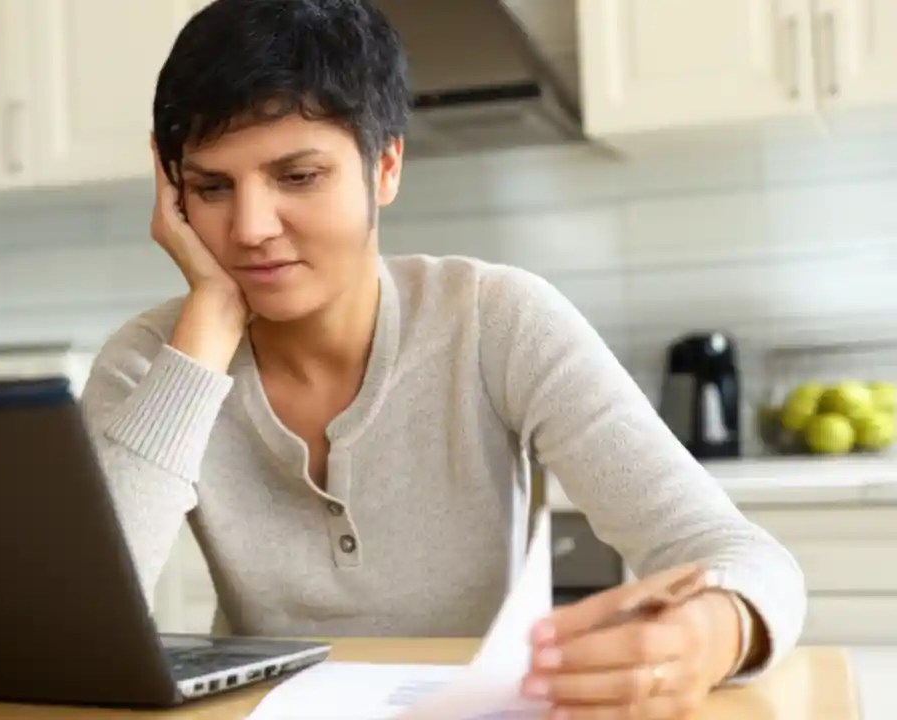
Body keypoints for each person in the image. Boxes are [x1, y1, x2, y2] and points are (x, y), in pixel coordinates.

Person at [78, 1, 806, 717]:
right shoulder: (153, 362)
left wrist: (712, 631)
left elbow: (735, 551)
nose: (251, 228)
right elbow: (78, 628)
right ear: (172, 193)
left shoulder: (497, 319)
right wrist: (206, 326)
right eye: (211, 187)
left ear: (386, 165)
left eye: (298, 177)